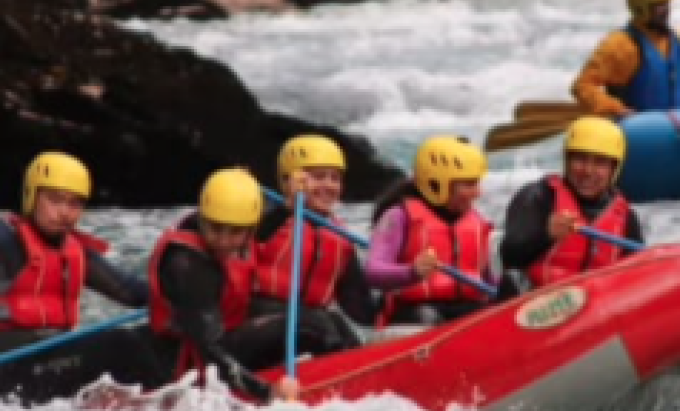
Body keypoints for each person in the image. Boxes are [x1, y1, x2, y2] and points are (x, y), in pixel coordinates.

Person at [0, 152, 156, 404]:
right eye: (55, 200)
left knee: (149, 338)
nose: (64, 212)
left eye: (75, 204)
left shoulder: (76, 251)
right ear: (32, 196)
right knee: (120, 344)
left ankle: (153, 408)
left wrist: (177, 294)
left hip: (49, 361)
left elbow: (131, 292)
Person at [146, 168, 298, 403]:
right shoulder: (187, 265)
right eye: (215, 229)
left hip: (223, 332)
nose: (224, 241)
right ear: (202, 219)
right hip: (190, 362)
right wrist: (266, 392)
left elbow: (255, 231)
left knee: (319, 320)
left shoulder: (227, 228)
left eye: (234, 232)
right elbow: (210, 350)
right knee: (303, 326)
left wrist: (287, 207)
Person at [251, 135, 374, 354]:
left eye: (335, 178)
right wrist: (289, 207)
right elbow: (251, 239)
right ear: (290, 180)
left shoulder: (340, 236)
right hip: (262, 316)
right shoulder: (270, 217)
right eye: (318, 177)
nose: (329, 186)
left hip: (312, 320)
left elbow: (358, 305)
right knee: (320, 323)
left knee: (342, 330)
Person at [499, 117, 644, 289]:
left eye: (600, 162)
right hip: (539, 301)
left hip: (600, 302)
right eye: (580, 159)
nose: (588, 171)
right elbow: (509, 256)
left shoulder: (626, 216)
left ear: (614, 169)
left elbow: (638, 276)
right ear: (567, 161)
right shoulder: (539, 197)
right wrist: (545, 235)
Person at [366, 135, 496, 325]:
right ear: (436, 184)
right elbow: (373, 272)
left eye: (477, 183)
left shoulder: (476, 221)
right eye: (469, 184)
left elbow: (487, 281)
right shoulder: (398, 216)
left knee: (505, 295)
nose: (478, 192)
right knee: (427, 316)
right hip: (412, 314)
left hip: (464, 310)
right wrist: (412, 272)